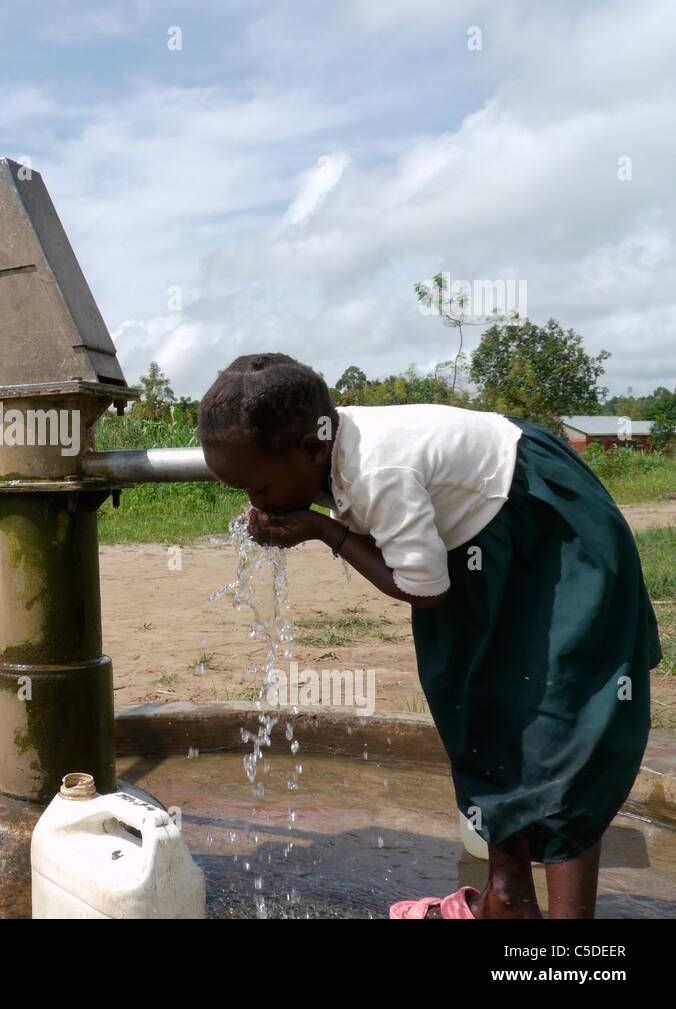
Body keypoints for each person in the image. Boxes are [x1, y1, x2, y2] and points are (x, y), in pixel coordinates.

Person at [197, 353, 662, 919]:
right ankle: (507, 900)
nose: (255, 503)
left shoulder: (377, 473)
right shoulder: (317, 440)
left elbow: (425, 589)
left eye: (258, 487)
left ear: (311, 451)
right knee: (478, 706)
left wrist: (324, 530)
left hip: (550, 534)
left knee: (560, 721)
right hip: (485, 539)